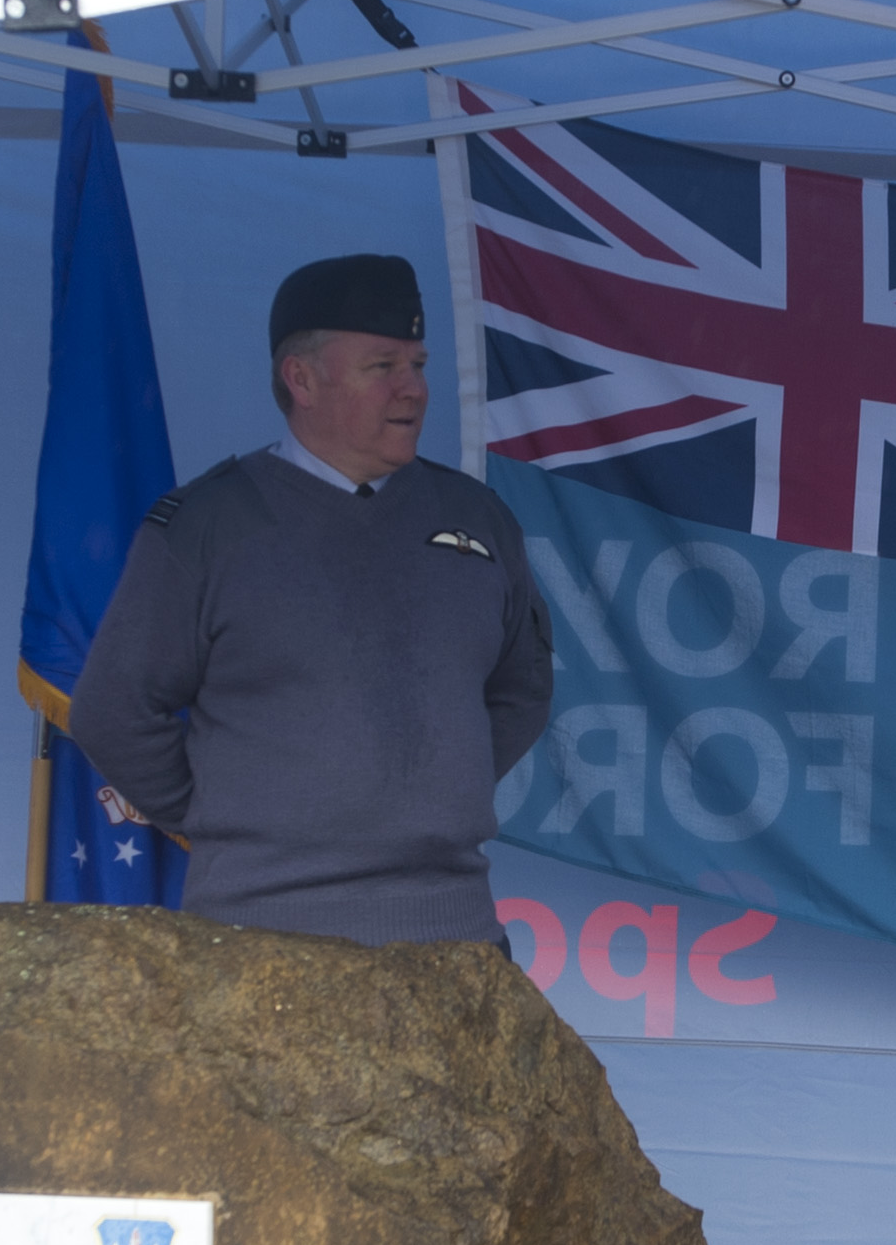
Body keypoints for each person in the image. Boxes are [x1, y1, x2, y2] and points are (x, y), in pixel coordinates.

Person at [69, 253, 552, 944]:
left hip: (456, 941)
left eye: (417, 364)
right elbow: (114, 709)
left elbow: (522, 690)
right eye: (381, 367)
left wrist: (430, 786)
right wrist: (226, 815)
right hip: (260, 939)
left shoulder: (478, 517)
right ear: (301, 378)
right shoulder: (206, 528)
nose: (412, 389)